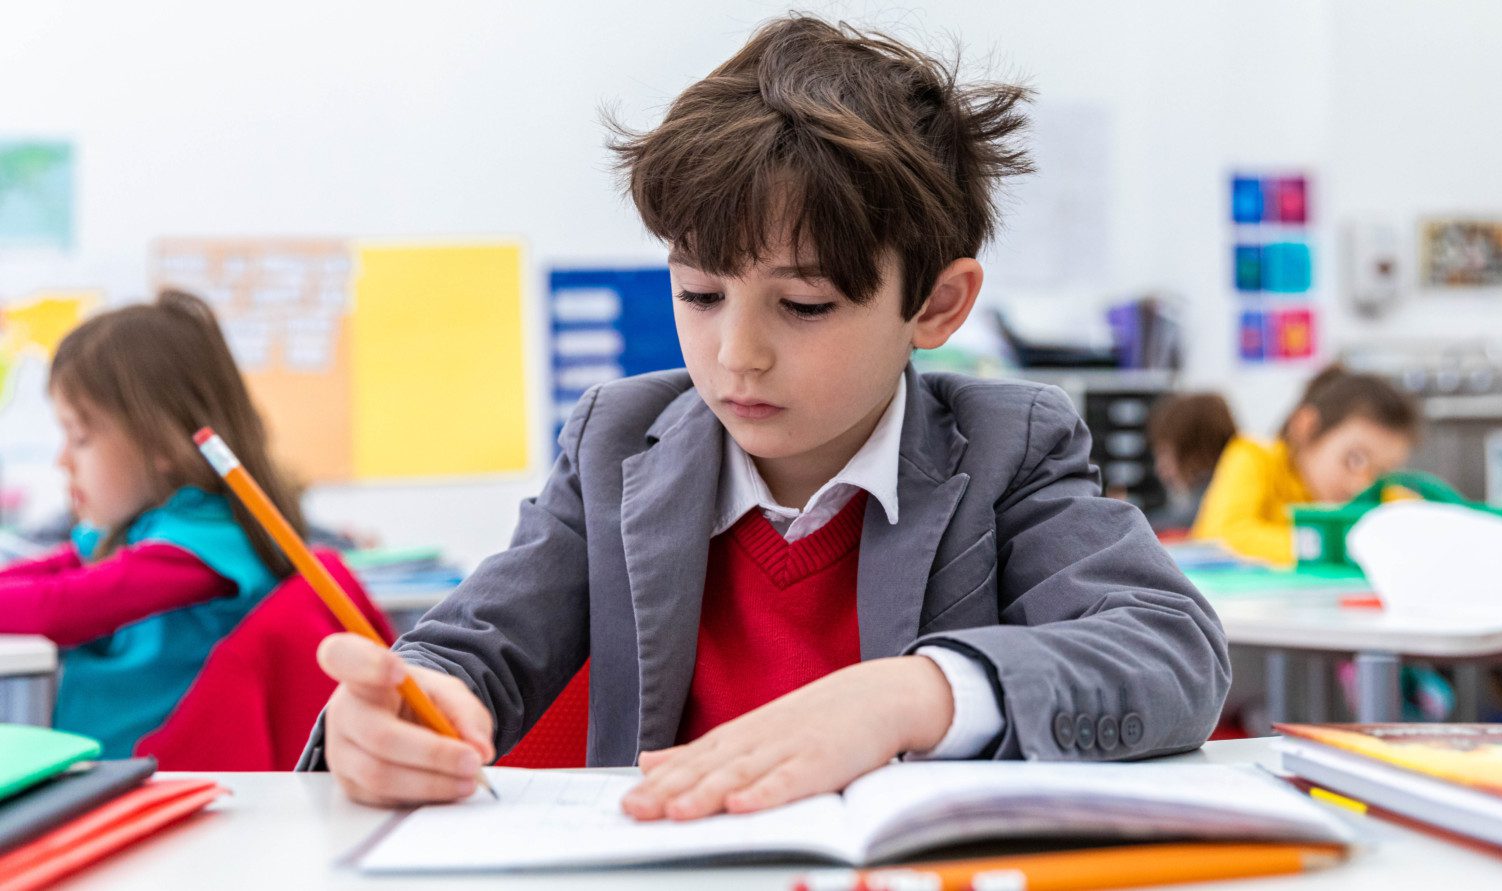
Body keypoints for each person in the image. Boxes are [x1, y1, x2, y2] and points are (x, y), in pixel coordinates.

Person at [305, 14, 1230, 818]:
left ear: (937, 305)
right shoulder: (617, 440)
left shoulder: (1007, 448)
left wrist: (911, 694)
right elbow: (475, 645)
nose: (735, 354)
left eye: (805, 305)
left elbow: (1171, 650)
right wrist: (414, 703)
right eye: (701, 293)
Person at [0, 290, 303, 757]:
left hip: (167, 780)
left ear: (162, 443)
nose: (62, 460)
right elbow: (54, 570)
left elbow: (59, 607)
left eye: (79, 437)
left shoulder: (206, 546)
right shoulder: (149, 530)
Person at [1191, 364, 1419, 566]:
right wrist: (1331, 546)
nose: (1361, 485)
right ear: (1306, 427)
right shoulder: (1256, 458)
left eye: (1382, 471)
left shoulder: (1379, 493)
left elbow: (1421, 530)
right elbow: (1218, 538)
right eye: (1355, 459)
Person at [1143, 392, 1237, 533]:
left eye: (1164, 453)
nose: (1159, 468)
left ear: (1196, 453)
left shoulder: (1211, 502)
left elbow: (1183, 520)